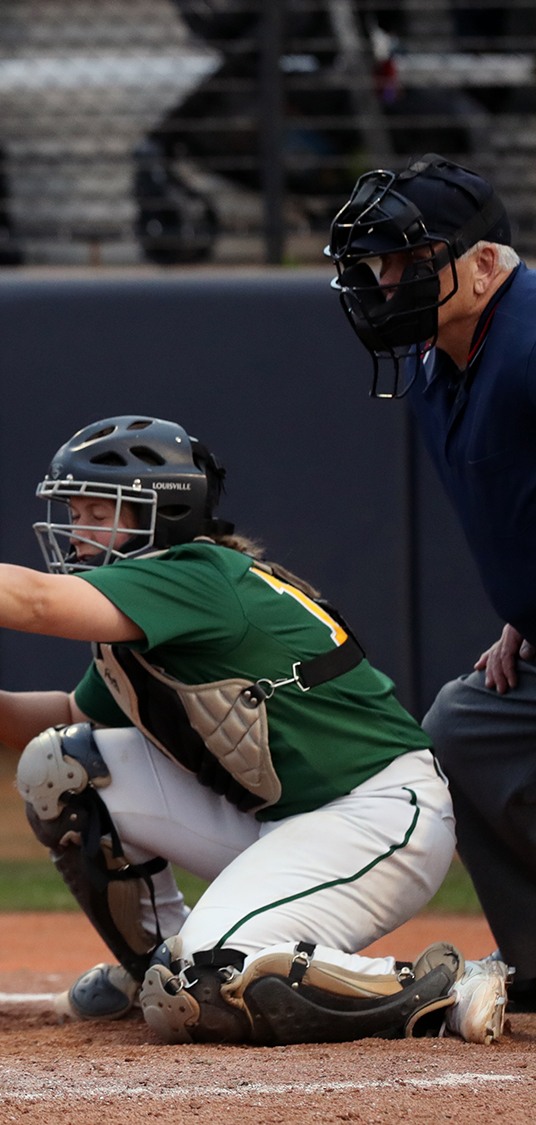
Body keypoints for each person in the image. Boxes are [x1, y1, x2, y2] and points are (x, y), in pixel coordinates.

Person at [0, 415, 509, 1046]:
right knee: (62, 767)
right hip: (285, 820)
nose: (76, 531)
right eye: (76, 511)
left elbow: (36, 603)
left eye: (100, 513)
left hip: (377, 817)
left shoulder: (194, 576)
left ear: (165, 515)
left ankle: (442, 984)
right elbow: (70, 718)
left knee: (205, 983)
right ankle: (153, 968)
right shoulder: (143, 609)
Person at [329, 154, 536, 1013]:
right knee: (462, 724)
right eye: (378, 267)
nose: (388, 285)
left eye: (413, 263)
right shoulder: (432, 365)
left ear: (484, 262)